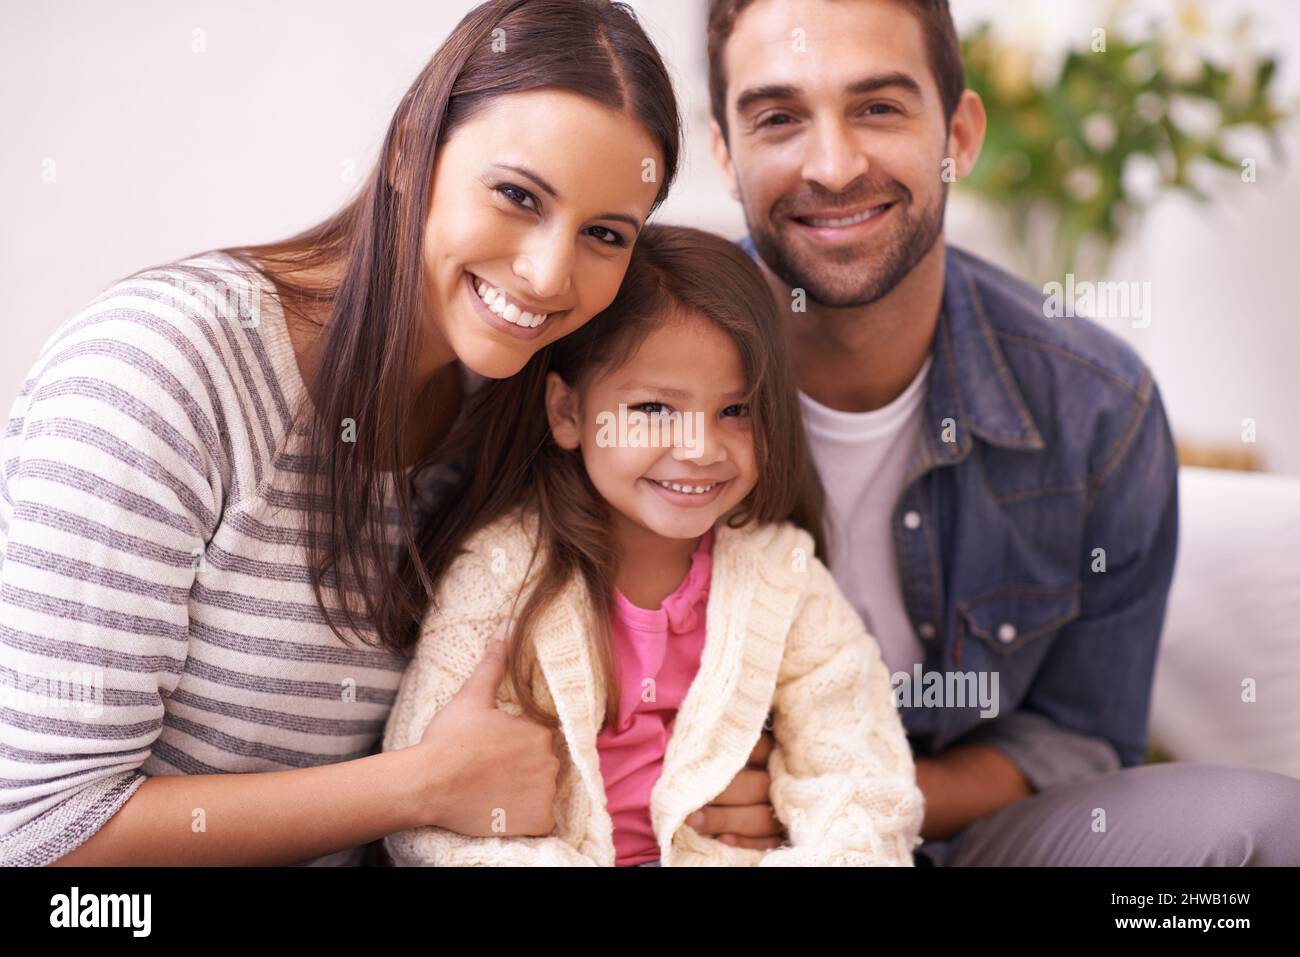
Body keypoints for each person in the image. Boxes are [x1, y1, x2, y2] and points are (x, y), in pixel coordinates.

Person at [0, 0, 681, 867]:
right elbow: (39, 836)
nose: (549, 273)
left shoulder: (505, 414)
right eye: (517, 195)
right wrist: (422, 784)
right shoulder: (157, 371)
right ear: (408, 151)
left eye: (605, 234)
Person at [699, 0, 1300, 865]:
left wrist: (849, 797)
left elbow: (1079, 736)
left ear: (960, 134)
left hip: (967, 837)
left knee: (1266, 837)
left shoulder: (1098, 407)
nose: (831, 165)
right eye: (779, 117)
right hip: (714, 842)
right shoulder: (635, 374)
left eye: (878, 107)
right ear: (725, 151)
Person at [382, 224, 924, 866]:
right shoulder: (501, 572)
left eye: (736, 410)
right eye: (654, 409)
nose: (700, 448)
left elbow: (861, 783)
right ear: (568, 414)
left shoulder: (784, 576)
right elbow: (433, 823)